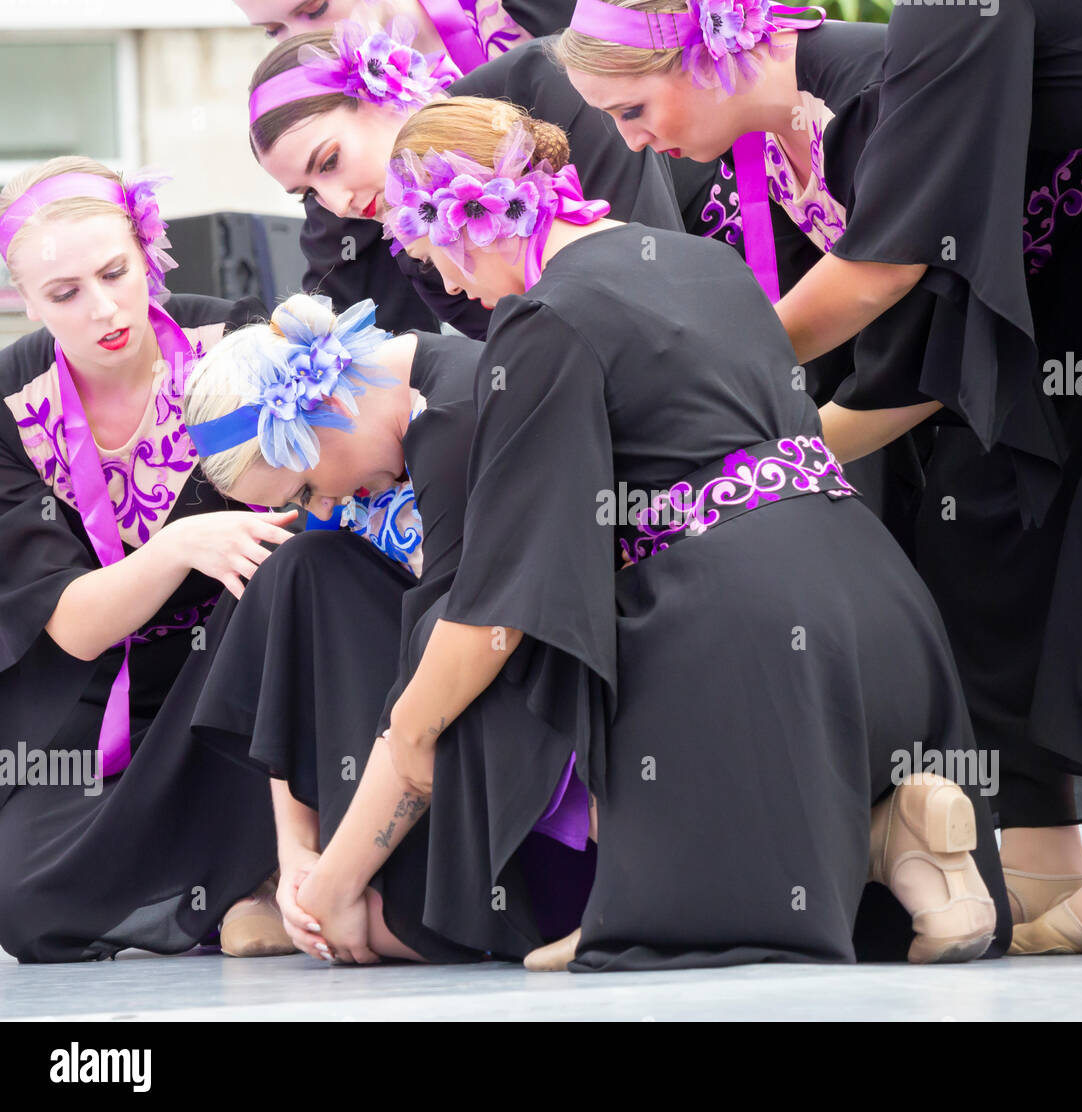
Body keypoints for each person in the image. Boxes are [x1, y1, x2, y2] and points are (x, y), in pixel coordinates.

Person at [559, 0, 1082, 954]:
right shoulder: (803, 136)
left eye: (631, 109)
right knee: (1001, 527)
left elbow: (888, 281)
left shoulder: (884, 74)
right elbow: (929, 347)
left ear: (713, 51)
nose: (638, 142)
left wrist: (708, 399)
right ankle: (1081, 842)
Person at [335, 97, 1009, 971]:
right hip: (879, 601)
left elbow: (509, 591)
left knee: (489, 646)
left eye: (438, 259)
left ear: (472, 221)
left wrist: (412, 732)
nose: (452, 288)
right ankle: (895, 840)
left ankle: (656, 894)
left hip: (748, 618)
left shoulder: (542, 321)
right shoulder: (707, 260)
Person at [182, 289, 600, 963]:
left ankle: (410, 903)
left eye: (305, 490)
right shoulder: (370, 449)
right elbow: (307, 640)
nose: (325, 503)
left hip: (533, 713)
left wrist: (339, 884)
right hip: (426, 730)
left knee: (399, 619)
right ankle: (317, 883)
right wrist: (298, 860)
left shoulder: (460, 417)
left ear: (317, 410)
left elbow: (450, 671)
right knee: (297, 566)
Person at [0, 157, 299, 962]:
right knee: (27, 903)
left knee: (284, 577)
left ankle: (265, 880)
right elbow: (69, 629)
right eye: (64, 294)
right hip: (97, 690)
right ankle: (220, 896)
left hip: (236, 651)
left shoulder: (229, 341)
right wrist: (173, 546)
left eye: (114, 272)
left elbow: (307, 501)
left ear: (146, 250)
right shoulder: (9, 405)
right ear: (23, 299)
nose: (103, 309)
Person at [238, 13, 683, 336]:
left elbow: (655, 275)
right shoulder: (410, 245)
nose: (338, 204)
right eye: (308, 194)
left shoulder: (545, 83)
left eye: (330, 161)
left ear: (380, 89)